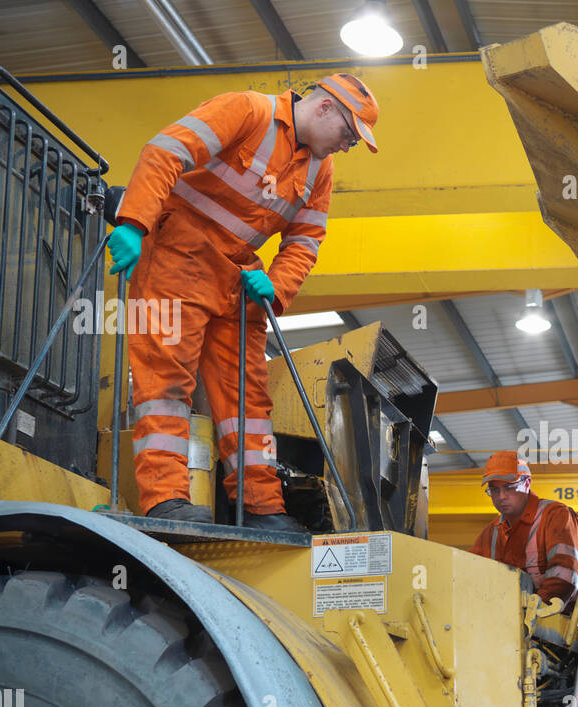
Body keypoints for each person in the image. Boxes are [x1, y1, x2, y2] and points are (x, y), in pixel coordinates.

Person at [107, 74, 379, 531]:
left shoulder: (321, 170)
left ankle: (259, 506)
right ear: (325, 108)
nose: (347, 146)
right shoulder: (247, 111)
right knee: (166, 384)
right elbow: (166, 151)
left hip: (236, 282)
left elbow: (306, 241)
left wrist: (275, 285)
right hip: (176, 260)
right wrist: (134, 223)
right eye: (348, 135)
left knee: (248, 401)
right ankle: (165, 498)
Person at [469, 451, 578, 609]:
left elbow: (564, 578)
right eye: (494, 490)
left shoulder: (555, 517)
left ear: (527, 483)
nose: (501, 496)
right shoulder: (490, 534)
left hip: (559, 623)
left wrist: (532, 612)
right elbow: (467, 575)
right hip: (511, 623)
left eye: (509, 487)